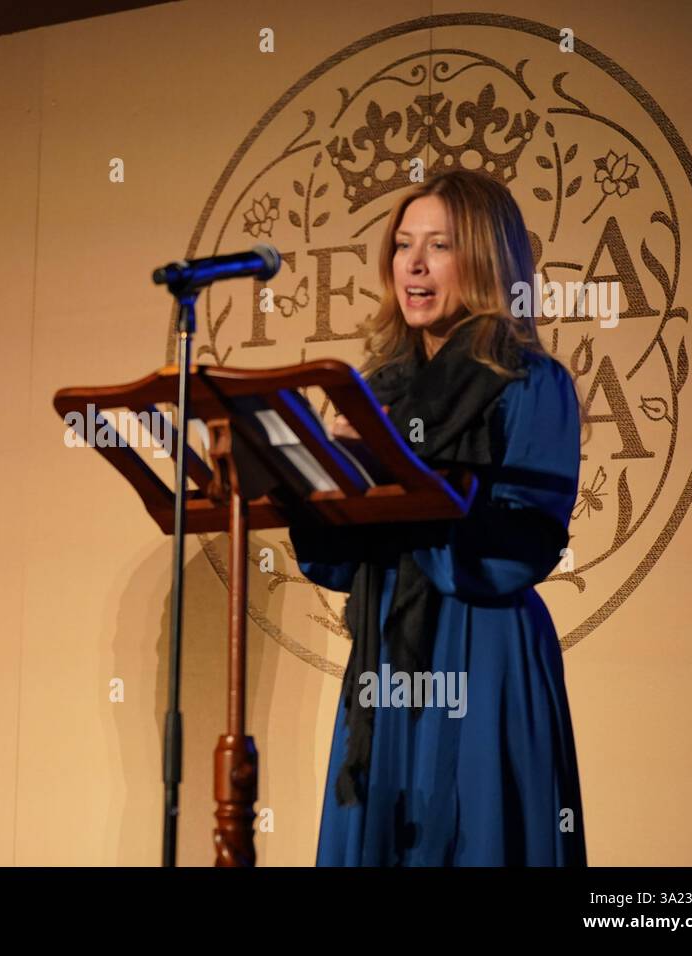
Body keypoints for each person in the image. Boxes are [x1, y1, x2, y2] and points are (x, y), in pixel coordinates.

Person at [291, 170, 587, 865]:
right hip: (388, 650)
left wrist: (407, 487)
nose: (414, 266)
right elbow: (337, 561)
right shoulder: (373, 392)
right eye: (402, 246)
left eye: (439, 247)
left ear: (483, 261)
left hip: (483, 647)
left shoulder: (530, 382)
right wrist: (315, 485)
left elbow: (524, 539)